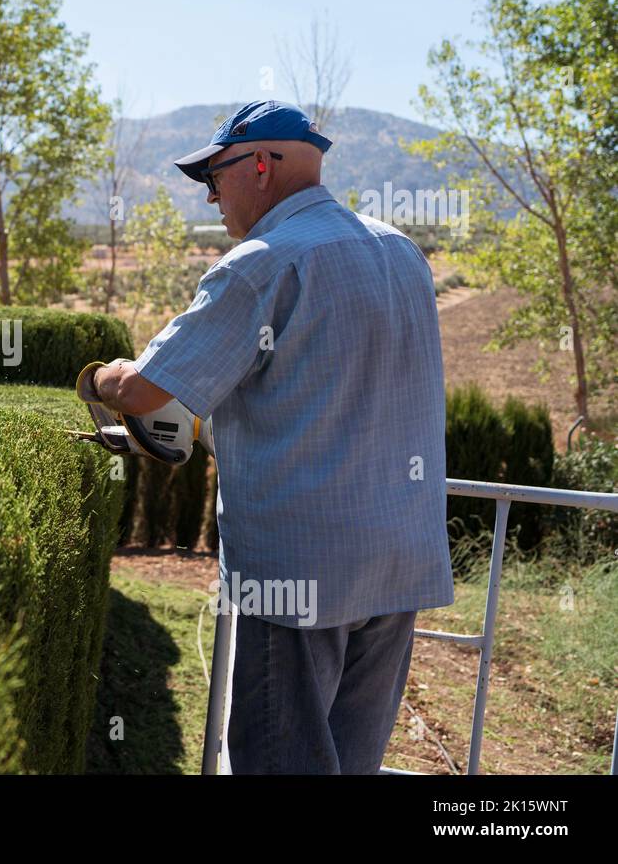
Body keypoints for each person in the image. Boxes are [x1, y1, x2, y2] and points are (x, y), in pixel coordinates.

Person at [91, 100, 454, 774]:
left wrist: (104, 377)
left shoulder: (261, 262)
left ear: (258, 164)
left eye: (214, 177)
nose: (211, 196)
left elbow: (147, 391)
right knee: (350, 762)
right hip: (399, 567)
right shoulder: (403, 254)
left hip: (298, 575)